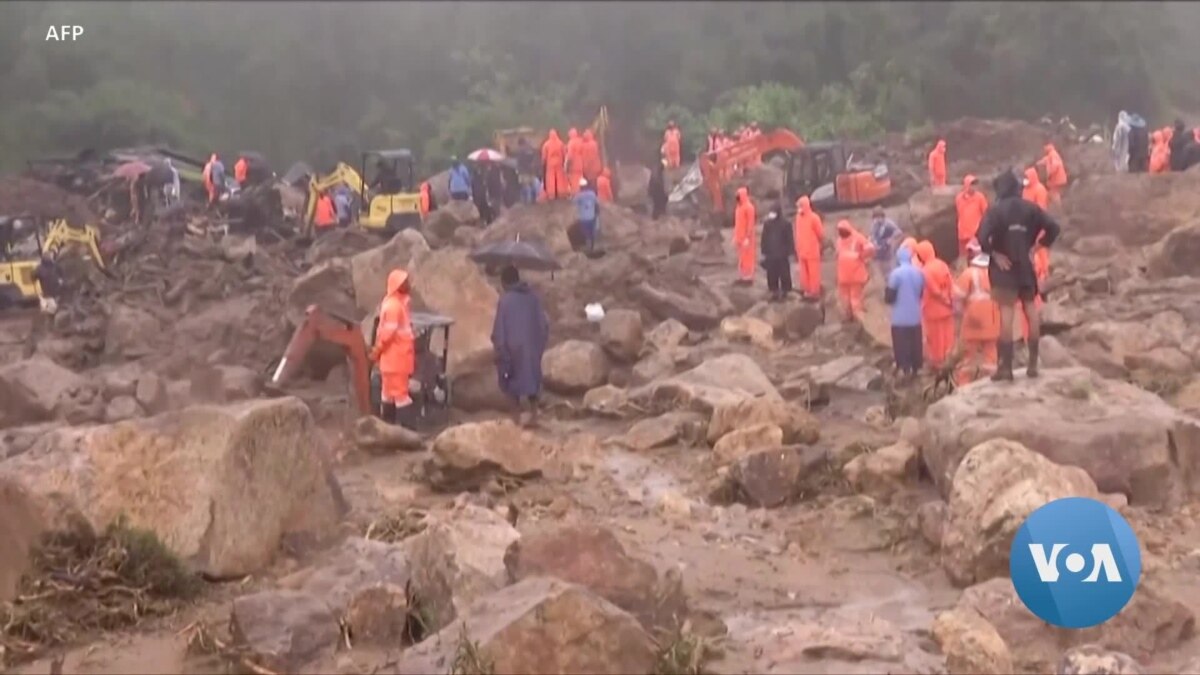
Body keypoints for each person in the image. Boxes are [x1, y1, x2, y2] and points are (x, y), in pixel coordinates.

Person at [976, 168, 1061, 381]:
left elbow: (981, 236)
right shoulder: (1031, 208)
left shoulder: (995, 211)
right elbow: (1053, 227)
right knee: (1031, 310)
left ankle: (1006, 368)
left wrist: (994, 254)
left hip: (1004, 269)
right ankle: (1033, 365)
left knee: (1006, 314)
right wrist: (1036, 247)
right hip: (1025, 265)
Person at [491, 265, 550, 428]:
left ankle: (515, 418)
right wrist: (539, 345)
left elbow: (499, 330)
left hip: (512, 350)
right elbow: (544, 324)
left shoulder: (505, 301)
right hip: (532, 348)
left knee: (509, 384)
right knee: (532, 381)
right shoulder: (534, 298)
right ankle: (534, 415)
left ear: (504, 282)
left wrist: (499, 349)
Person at [370, 269, 416, 428]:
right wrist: (377, 350)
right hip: (397, 359)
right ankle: (407, 428)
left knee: (388, 394)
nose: (408, 285)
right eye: (405, 282)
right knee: (400, 395)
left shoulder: (393, 304)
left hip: (392, 360)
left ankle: (387, 427)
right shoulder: (395, 307)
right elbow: (387, 335)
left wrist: (376, 352)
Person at [953, 245, 1000, 385]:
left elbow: (957, 297)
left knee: (968, 352)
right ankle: (991, 382)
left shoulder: (969, 273)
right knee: (991, 351)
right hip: (993, 317)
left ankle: (964, 384)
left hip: (974, 318)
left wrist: (960, 315)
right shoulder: (998, 273)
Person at [886, 246, 925, 381]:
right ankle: (917, 368)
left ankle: (904, 368)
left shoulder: (896, 274)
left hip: (899, 317)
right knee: (915, 342)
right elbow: (921, 293)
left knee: (901, 344)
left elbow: (889, 296)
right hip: (915, 315)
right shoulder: (918, 273)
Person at [915, 240, 954, 370]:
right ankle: (949, 359)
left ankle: (938, 362)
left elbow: (934, 290)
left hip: (933, 309)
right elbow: (950, 283)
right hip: (947, 308)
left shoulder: (925, 270)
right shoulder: (942, 264)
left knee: (936, 337)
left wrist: (944, 299)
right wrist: (949, 300)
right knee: (947, 334)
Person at [834, 220, 874, 321]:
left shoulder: (841, 240)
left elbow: (870, 248)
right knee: (853, 297)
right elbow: (870, 248)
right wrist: (862, 256)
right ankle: (856, 318)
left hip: (845, 274)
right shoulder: (853, 238)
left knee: (848, 297)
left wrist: (863, 256)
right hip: (853, 274)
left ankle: (850, 316)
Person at [760, 204, 794, 301]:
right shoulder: (767, 224)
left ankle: (786, 291)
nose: (771, 214)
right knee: (771, 274)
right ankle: (773, 291)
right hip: (770, 254)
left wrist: (791, 252)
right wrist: (763, 251)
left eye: (773, 212)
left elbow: (790, 238)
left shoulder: (786, 223)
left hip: (782, 254)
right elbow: (764, 238)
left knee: (785, 274)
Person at [793, 195, 824, 300]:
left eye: (800, 205)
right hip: (805, 250)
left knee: (812, 271)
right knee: (806, 272)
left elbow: (820, 234)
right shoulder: (807, 217)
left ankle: (812, 291)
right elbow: (820, 234)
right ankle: (809, 290)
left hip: (808, 249)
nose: (799, 208)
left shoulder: (812, 218)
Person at [954, 175, 988, 260]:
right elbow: (959, 213)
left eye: (975, 184)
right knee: (963, 258)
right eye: (972, 184)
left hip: (975, 234)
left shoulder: (980, 197)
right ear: (967, 185)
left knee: (977, 257)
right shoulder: (959, 198)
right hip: (963, 233)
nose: (974, 187)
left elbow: (986, 214)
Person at [868, 207, 902, 280]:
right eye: (875, 218)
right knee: (882, 272)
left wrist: (891, 239)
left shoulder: (888, 223)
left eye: (879, 217)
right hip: (878, 252)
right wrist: (872, 240)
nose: (877, 220)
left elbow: (898, 232)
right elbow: (872, 235)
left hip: (888, 251)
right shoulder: (874, 225)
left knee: (890, 271)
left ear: (882, 216)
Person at [733, 187, 757, 285]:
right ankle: (742, 275)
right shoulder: (739, 207)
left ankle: (748, 276)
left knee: (748, 257)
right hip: (740, 237)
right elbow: (738, 223)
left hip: (747, 238)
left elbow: (750, 223)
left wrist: (748, 236)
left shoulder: (749, 207)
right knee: (741, 257)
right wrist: (736, 236)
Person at [541, 130, 567, 200]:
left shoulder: (546, 144)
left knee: (550, 178)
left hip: (550, 164)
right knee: (560, 178)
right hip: (559, 163)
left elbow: (544, 156)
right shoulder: (560, 143)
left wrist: (543, 162)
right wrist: (564, 161)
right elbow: (564, 153)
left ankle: (551, 194)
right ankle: (561, 193)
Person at [574, 178, 599, 251]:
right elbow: (596, 203)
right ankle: (593, 246)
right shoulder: (592, 193)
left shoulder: (579, 195)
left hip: (583, 217)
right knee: (592, 231)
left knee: (586, 233)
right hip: (592, 216)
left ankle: (589, 247)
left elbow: (573, 202)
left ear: (580, 187)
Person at [566, 128, 585, 195]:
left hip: (573, 165)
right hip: (581, 164)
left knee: (574, 182)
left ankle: (576, 196)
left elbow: (570, 155)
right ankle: (580, 194)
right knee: (580, 181)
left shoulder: (571, 142)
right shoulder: (581, 141)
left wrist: (567, 165)